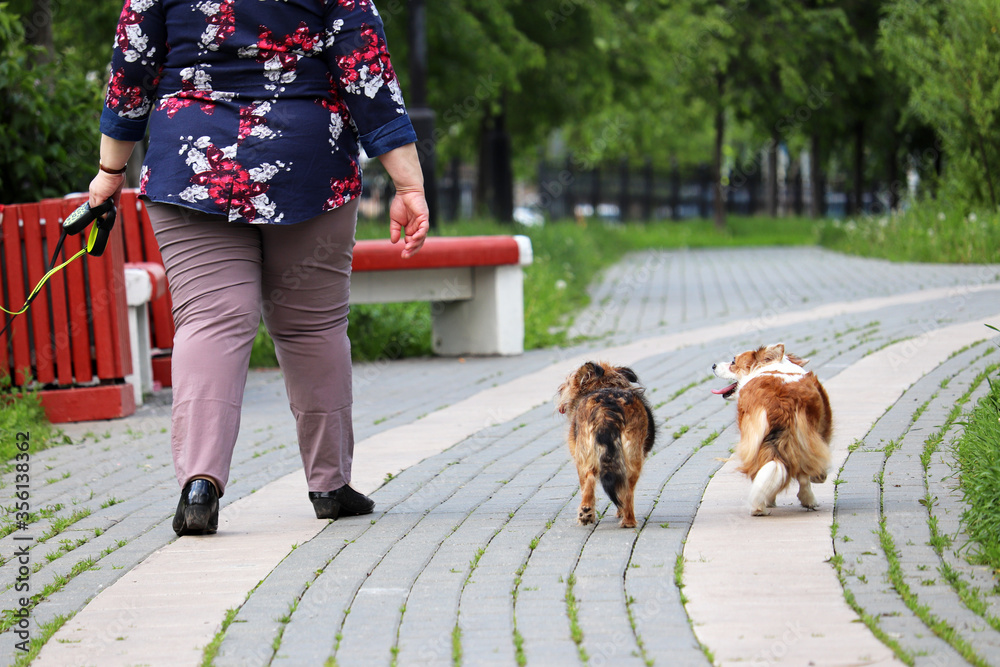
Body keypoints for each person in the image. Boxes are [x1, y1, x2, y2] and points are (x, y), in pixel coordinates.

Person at [89, 0, 429, 536]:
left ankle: (199, 483)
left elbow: (131, 68)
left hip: (190, 159)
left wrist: (110, 171)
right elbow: (366, 70)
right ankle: (330, 484)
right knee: (312, 325)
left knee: (211, 318)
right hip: (307, 158)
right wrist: (407, 183)